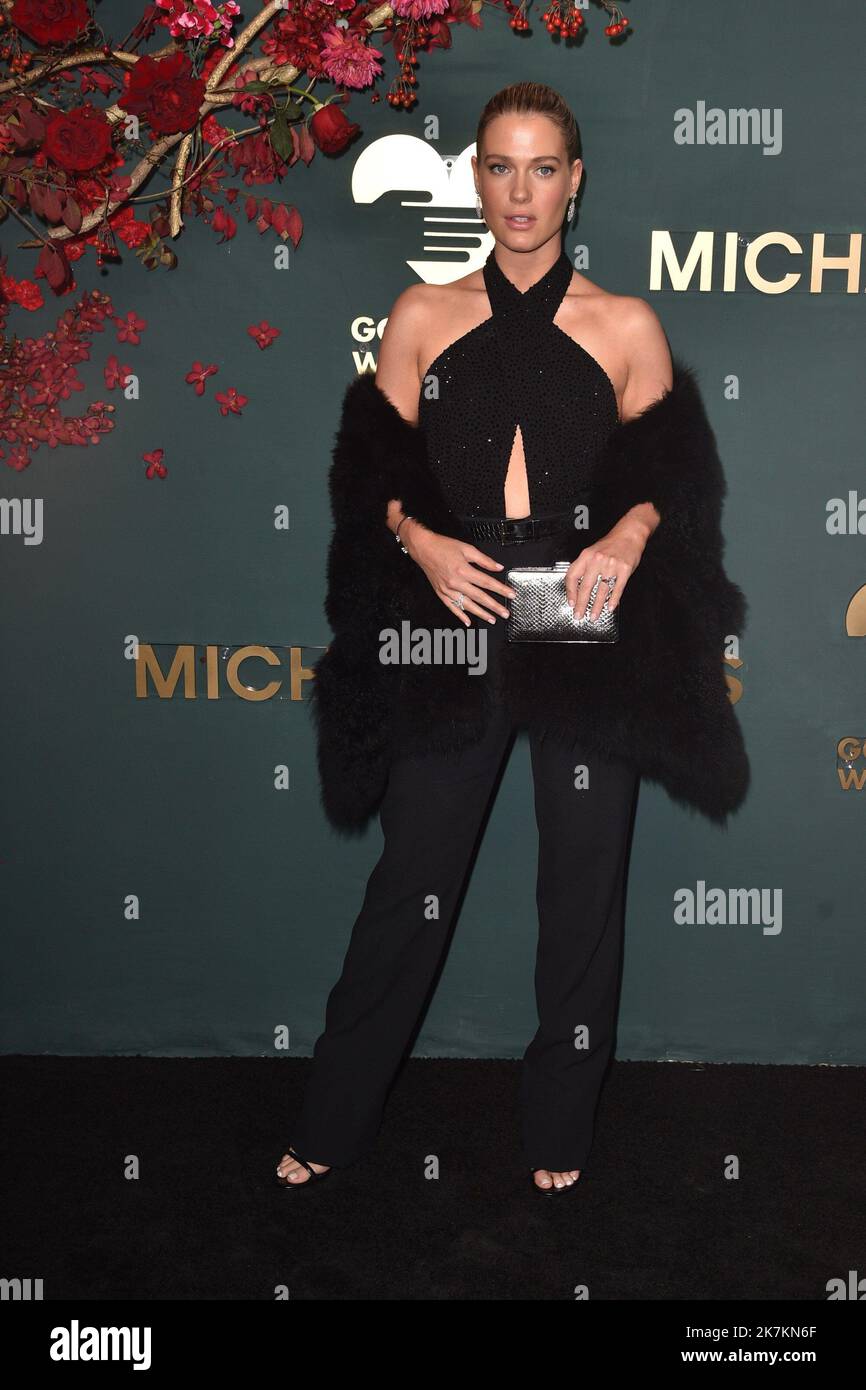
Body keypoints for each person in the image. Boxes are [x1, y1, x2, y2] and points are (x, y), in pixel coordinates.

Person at [276, 81, 745, 1195]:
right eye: (499, 166)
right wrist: (422, 542)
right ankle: (331, 1120)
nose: (520, 190)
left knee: (583, 891)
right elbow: (370, 476)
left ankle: (558, 1133)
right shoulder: (421, 314)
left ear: (573, 181)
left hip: (580, 621)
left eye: (542, 168)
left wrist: (628, 537)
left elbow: (670, 476)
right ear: (473, 179)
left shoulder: (624, 323)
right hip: (453, 616)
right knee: (412, 882)